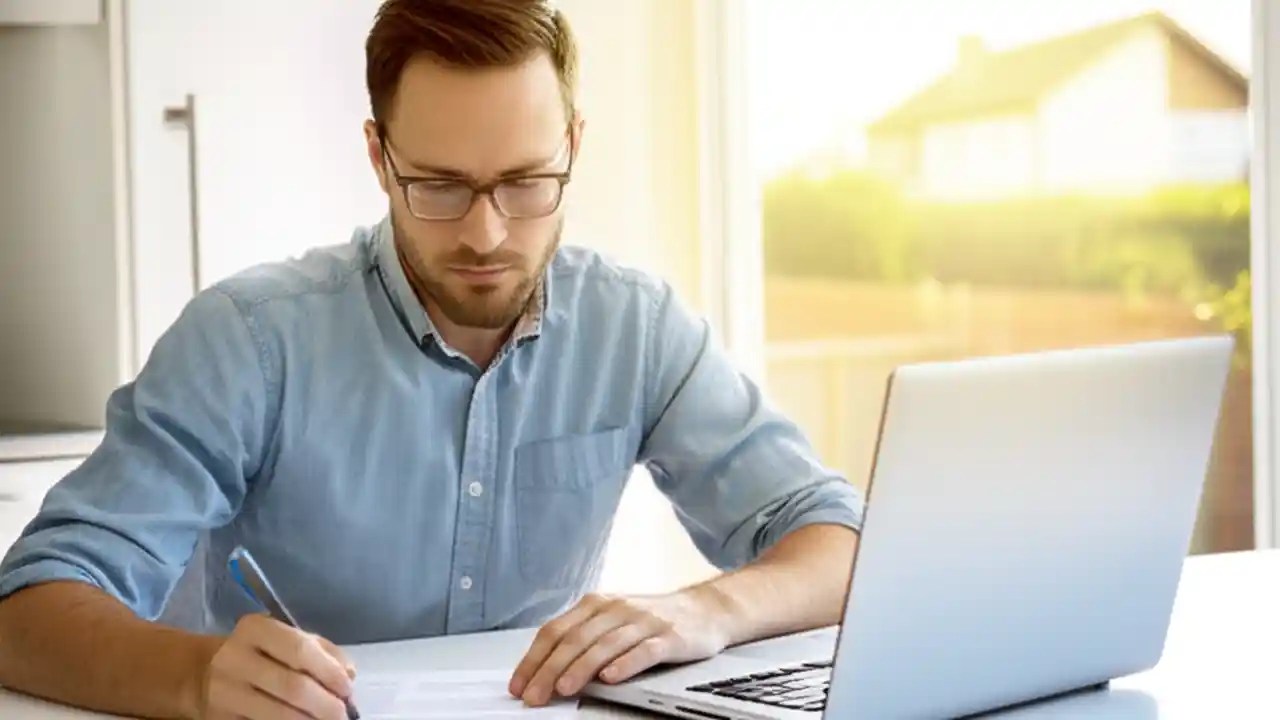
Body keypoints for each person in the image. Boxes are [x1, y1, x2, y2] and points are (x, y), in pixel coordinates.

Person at [0, 1, 863, 718]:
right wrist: (194, 677)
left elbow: (844, 541)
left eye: (527, 183)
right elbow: (26, 612)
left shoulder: (635, 328)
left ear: (573, 147)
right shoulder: (247, 340)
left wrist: (705, 610)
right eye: (440, 186)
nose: (486, 235)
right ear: (379, 157)